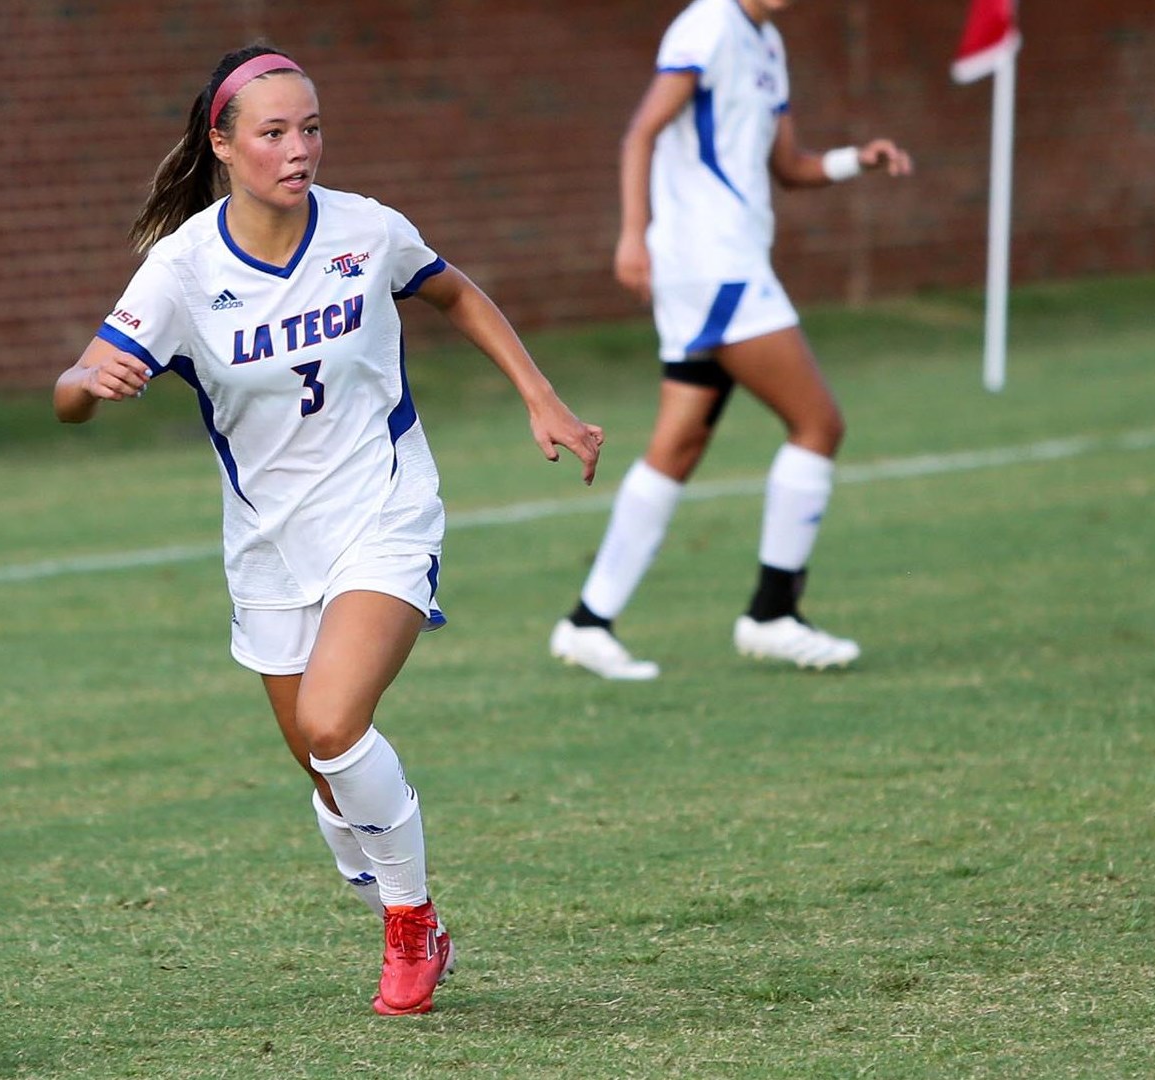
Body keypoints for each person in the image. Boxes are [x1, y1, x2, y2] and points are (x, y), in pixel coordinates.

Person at [54, 44, 603, 1016]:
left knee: (332, 723)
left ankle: (411, 922)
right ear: (222, 145)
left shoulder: (365, 230)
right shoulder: (181, 270)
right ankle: (388, 886)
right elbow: (70, 390)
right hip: (268, 549)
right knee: (324, 775)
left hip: (384, 509)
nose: (298, 148)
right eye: (272, 133)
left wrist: (540, 396)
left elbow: (453, 291)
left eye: (309, 128)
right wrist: (89, 383)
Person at [549, 0, 913, 680]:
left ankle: (587, 623)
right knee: (818, 424)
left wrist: (854, 160)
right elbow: (641, 132)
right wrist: (632, 234)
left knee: (678, 445)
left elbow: (790, 166)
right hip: (714, 265)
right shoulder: (707, 25)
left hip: (720, 264)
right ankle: (773, 613)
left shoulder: (767, 42)